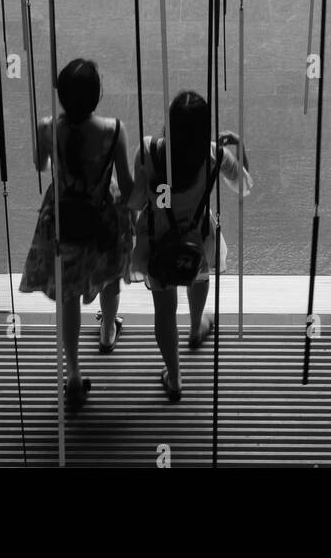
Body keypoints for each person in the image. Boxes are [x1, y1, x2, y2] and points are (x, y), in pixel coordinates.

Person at [19, 59, 133, 412]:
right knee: (110, 278)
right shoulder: (114, 130)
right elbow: (127, 186)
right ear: (97, 94)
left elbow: (40, 166)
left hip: (62, 218)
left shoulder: (47, 128)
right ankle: (108, 329)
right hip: (102, 216)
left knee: (68, 293)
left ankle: (73, 372)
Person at [126, 90, 253, 402]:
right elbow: (244, 184)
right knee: (199, 277)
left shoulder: (148, 150)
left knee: (164, 310)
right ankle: (196, 327)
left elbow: (137, 200)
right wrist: (239, 145)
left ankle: (175, 378)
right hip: (198, 239)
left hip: (157, 242)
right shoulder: (214, 155)